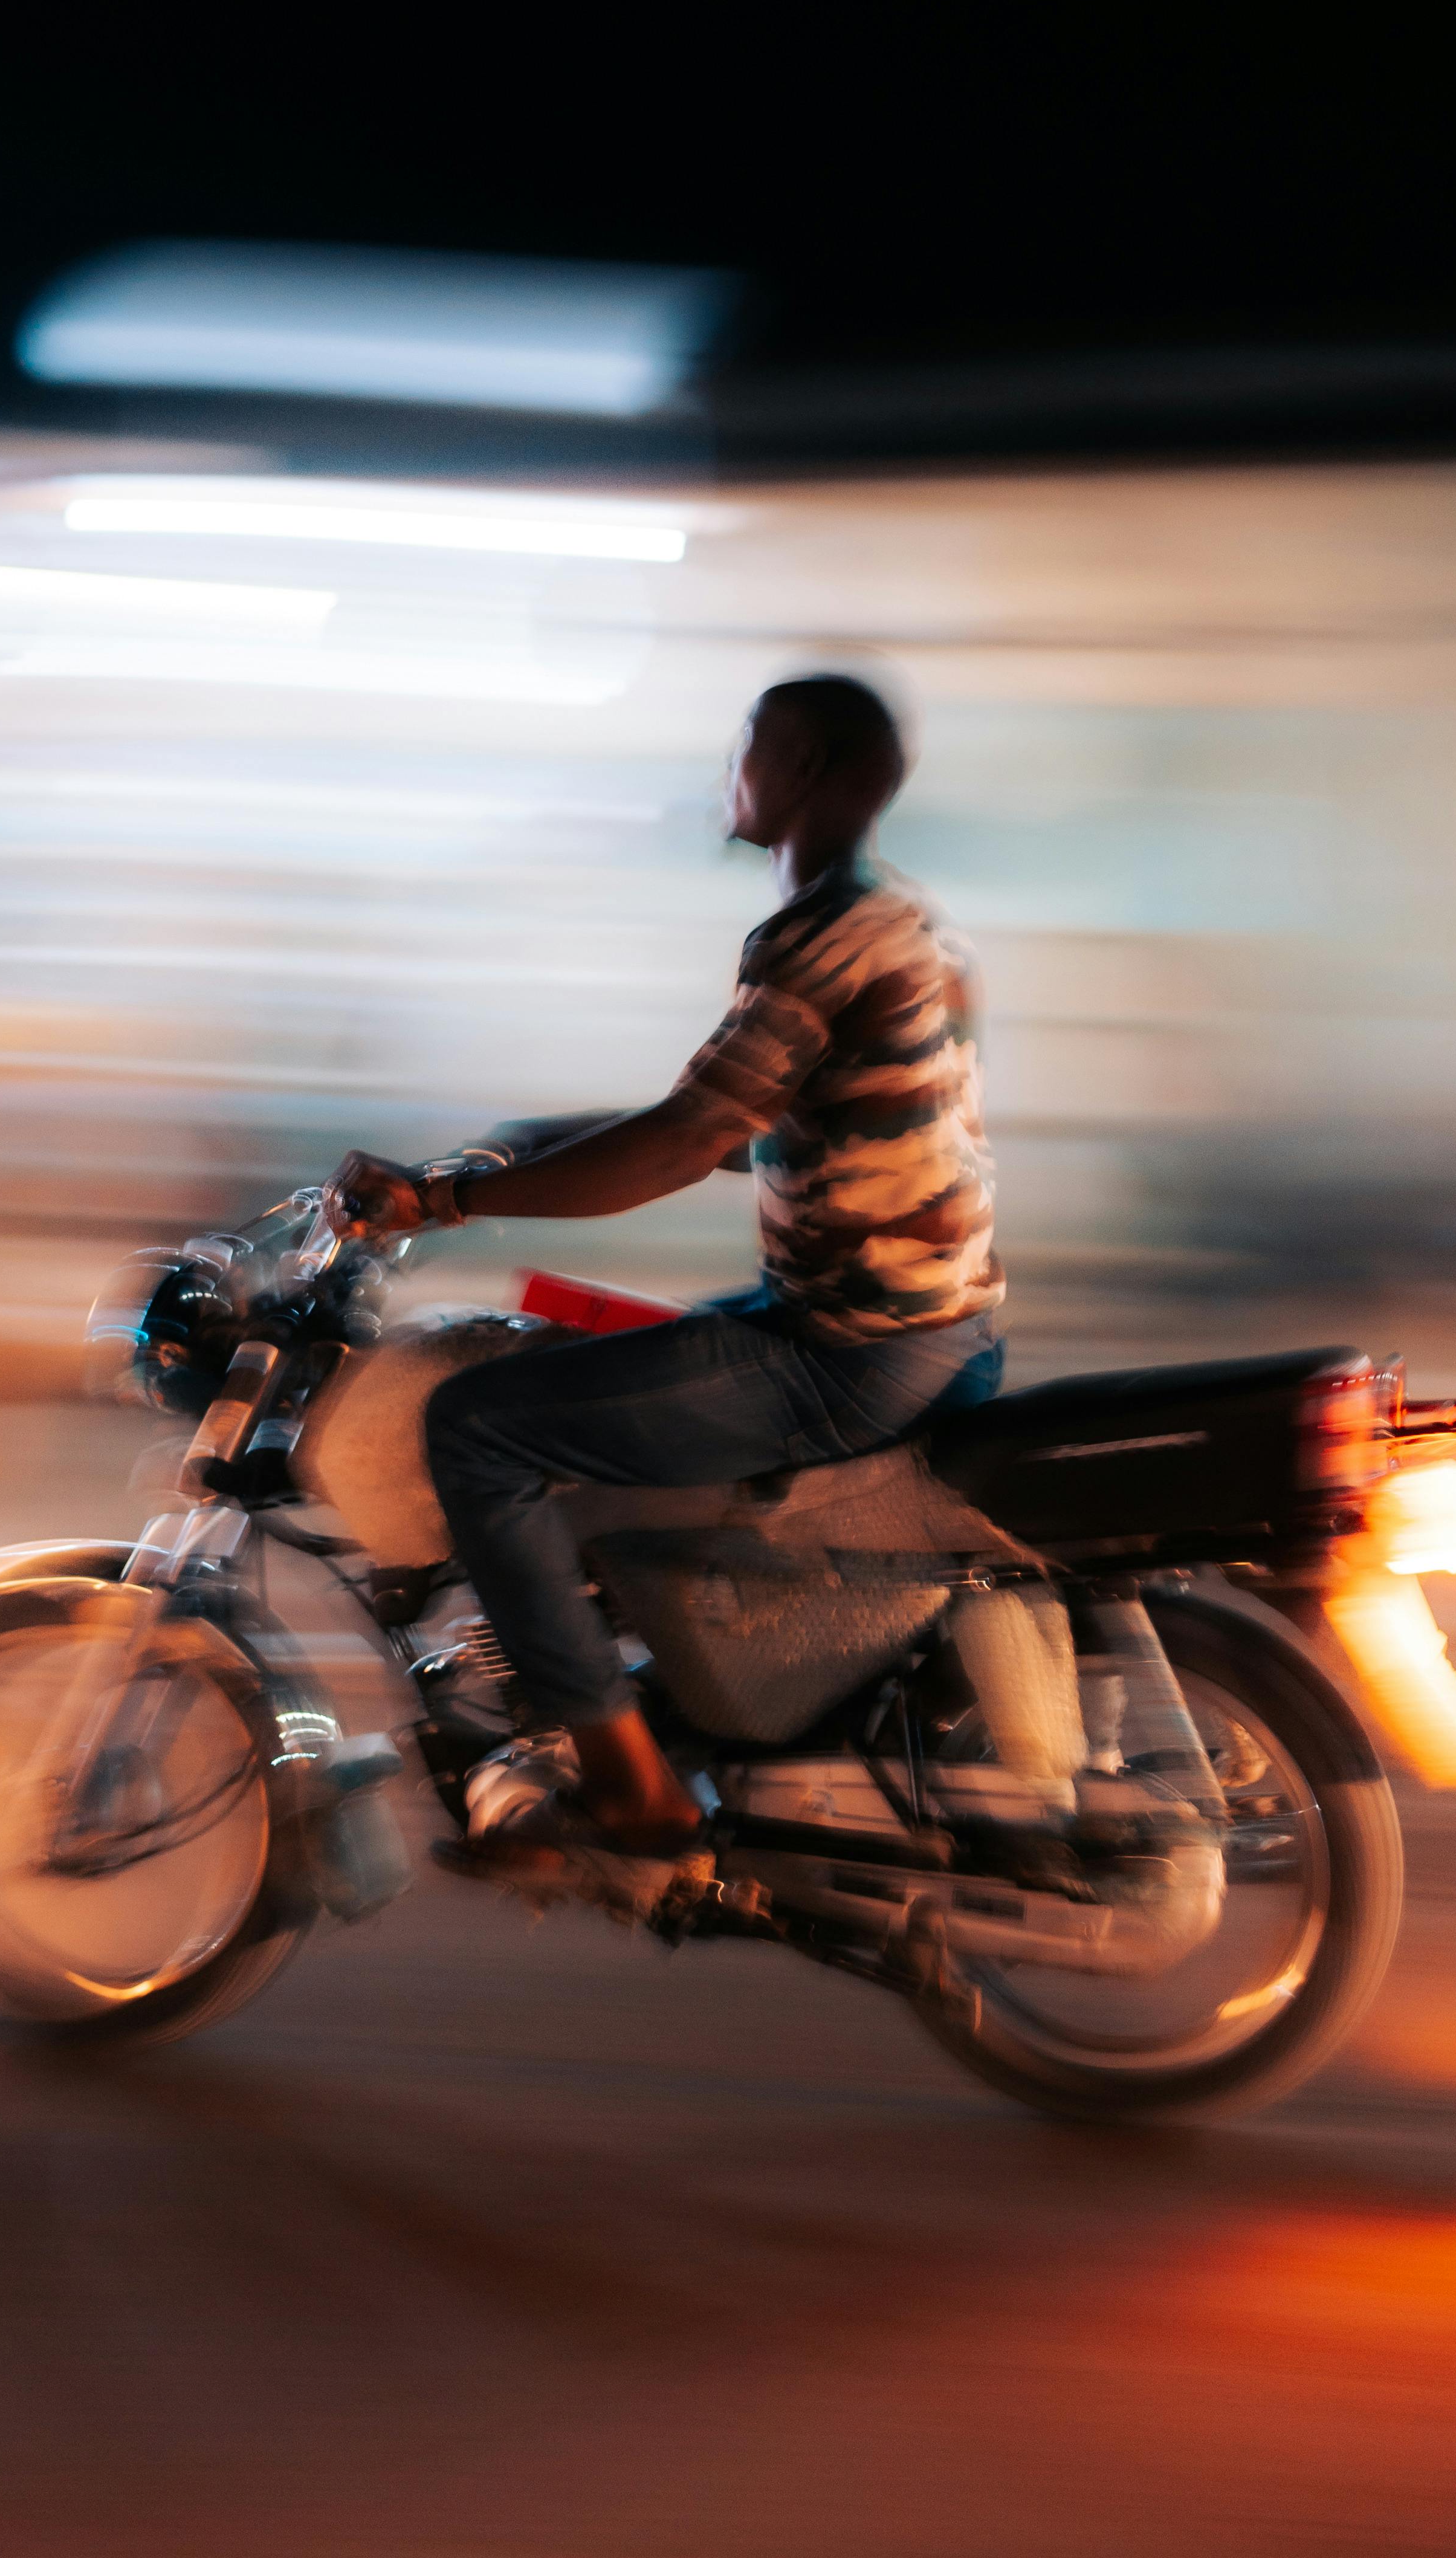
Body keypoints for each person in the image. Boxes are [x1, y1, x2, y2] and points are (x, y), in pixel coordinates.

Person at [327, 673, 1003, 1848]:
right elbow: (749, 1126)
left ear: (802, 773)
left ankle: (627, 1780)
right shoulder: (908, 924)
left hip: (848, 1352)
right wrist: (515, 1149)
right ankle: (668, 1685)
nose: (730, 772)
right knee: (598, 1344)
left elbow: (687, 1143)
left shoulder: (816, 938)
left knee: (478, 1429)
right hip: (932, 1328)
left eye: (750, 747)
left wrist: (446, 1199)